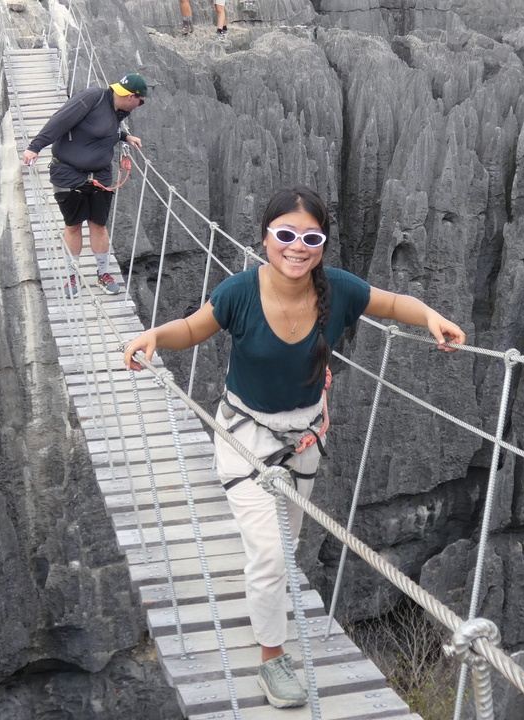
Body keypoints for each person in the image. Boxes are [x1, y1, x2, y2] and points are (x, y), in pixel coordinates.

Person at [122, 186, 465, 709]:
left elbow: (394, 304)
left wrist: (431, 318)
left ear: (323, 244)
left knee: (283, 549)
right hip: (244, 438)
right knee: (270, 555)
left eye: (311, 237)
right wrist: (153, 337)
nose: (297, 247)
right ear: (265, 237)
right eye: (285, 234)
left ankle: (266, 598)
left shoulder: (339, 291)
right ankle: (272, 658)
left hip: (305, 439)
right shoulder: (239, 292)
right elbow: (193, 329)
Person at [21, 73, 147, 298]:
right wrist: (35, 147)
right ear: (130, 96)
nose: (141, 105)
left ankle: (102, 274)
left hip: (100, 175)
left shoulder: (120, 110)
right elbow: (60, 120)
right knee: (73, 226)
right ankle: (71, 276)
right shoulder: (94, 98)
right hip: (68, 174)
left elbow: (104, 129)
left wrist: (125, 137)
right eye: (141, 100)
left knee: (98, 225)